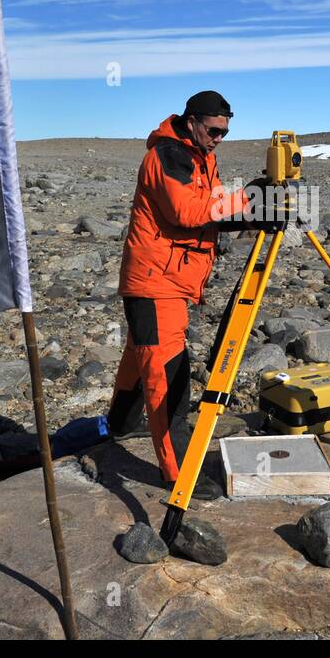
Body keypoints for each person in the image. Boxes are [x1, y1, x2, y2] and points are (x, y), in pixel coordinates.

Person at [104, 91, 278, 482]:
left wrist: (250, 217)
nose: (219, 138)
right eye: (214, 130)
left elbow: (209, 213)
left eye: (225, 133)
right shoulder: (167, 155)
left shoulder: (203, 158)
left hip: (169, 279)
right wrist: (248, 197)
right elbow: (185, 212)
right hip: (154, 281)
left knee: (141, 352)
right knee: (168, 374)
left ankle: (121, 423)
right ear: (192, 121)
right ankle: (179, 472)